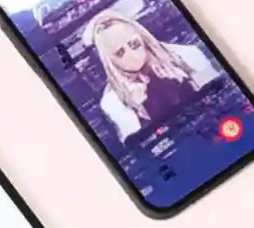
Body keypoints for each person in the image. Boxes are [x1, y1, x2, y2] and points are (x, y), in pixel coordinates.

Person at [85, 10, 207, 143]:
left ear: (142, 37)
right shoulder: (112, 101)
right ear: (109, 60)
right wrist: (136, 108)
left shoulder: (186, 55)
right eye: (119, 53)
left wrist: (189, 76)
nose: (132, 55)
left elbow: (219, 86)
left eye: (134, 44)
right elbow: (138, 146)